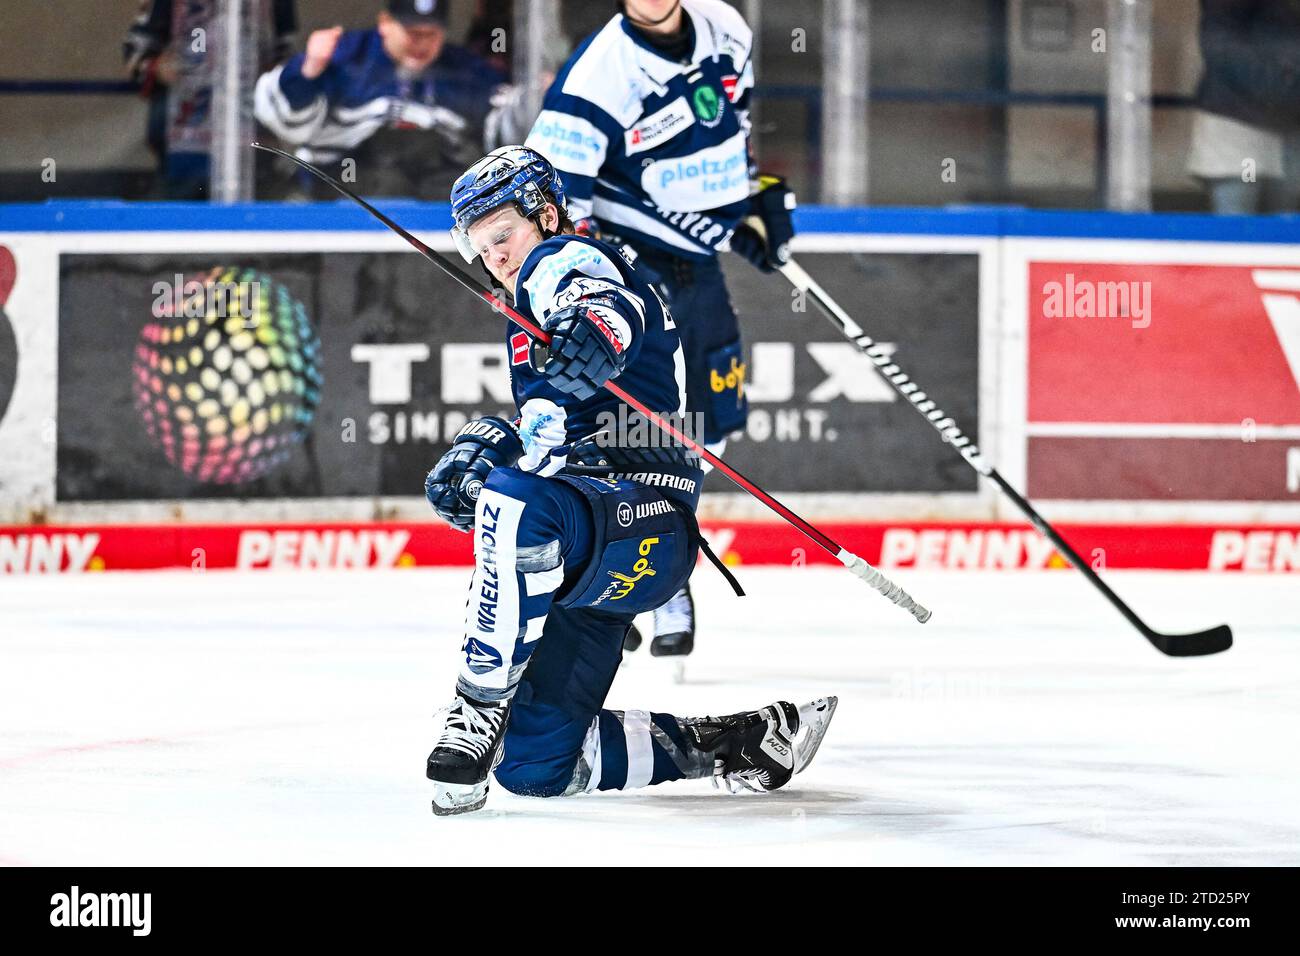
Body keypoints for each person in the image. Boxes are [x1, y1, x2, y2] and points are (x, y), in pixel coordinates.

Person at [422, 145, 835, 814]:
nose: (494, 256)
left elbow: (605, 303)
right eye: (481, 247)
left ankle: (475, 707)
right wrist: (493, 451)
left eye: (503, 234)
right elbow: (551, 439)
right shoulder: (527, 313)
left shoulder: (566, 262)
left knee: (514, 504)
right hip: (606, 550)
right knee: (535, 766)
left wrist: (597, 330)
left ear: (547, 214)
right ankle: (742, 741)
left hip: (645, 518)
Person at [523, 0, 795, 660]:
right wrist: (586, 292)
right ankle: (650, 568)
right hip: (630, 271)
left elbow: (734, 128)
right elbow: (553, 207)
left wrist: (753, 198)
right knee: (633, 422)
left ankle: (667, 544)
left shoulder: (727, 28)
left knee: (706, 415)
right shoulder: (596, 79)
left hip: (698, 263)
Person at [253, 0, 532, 199]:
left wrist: (533, 97)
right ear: (386, 23)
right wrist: (307, 71)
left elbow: (506, 129)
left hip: (431, 216)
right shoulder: (345, 57)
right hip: (337, 201)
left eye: (431, 34)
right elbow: (288, 126)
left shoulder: (466, 72)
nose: (421, 44)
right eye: (413, 33)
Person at [123, 0, 298, 199]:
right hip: (184, 146)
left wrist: (273, 77)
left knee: (256, 221)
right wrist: (158, 67)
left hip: (254, 144)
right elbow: (136, 52)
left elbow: (288, 57)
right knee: (175, 221)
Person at [1189, 0, 1300, 213]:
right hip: (1240, 130)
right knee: (1239, 228)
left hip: (1284, 127)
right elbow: (1223, 48)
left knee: (1282, 230)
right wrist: (1284, 88)